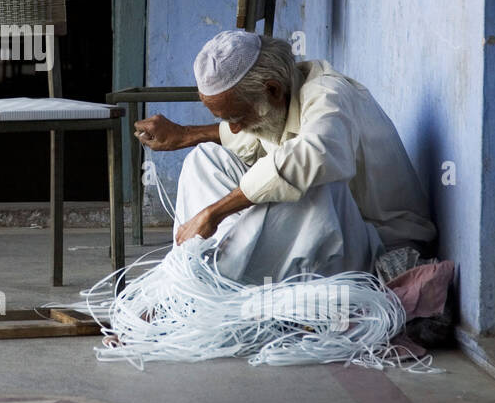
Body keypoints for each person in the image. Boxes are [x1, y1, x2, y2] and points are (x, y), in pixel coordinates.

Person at [133, 30, 436, 283]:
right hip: (323, 245)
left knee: (312, 181)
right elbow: (245, 139)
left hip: (375, 246)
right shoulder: (281, 97)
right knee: (205, 158)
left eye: (237, 115)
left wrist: (215, 211)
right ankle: (198, 270)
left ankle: (216, 284)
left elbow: (314, 157)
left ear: (273, 90)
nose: (234, 127)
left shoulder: (330, 95)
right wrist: (186, 135)